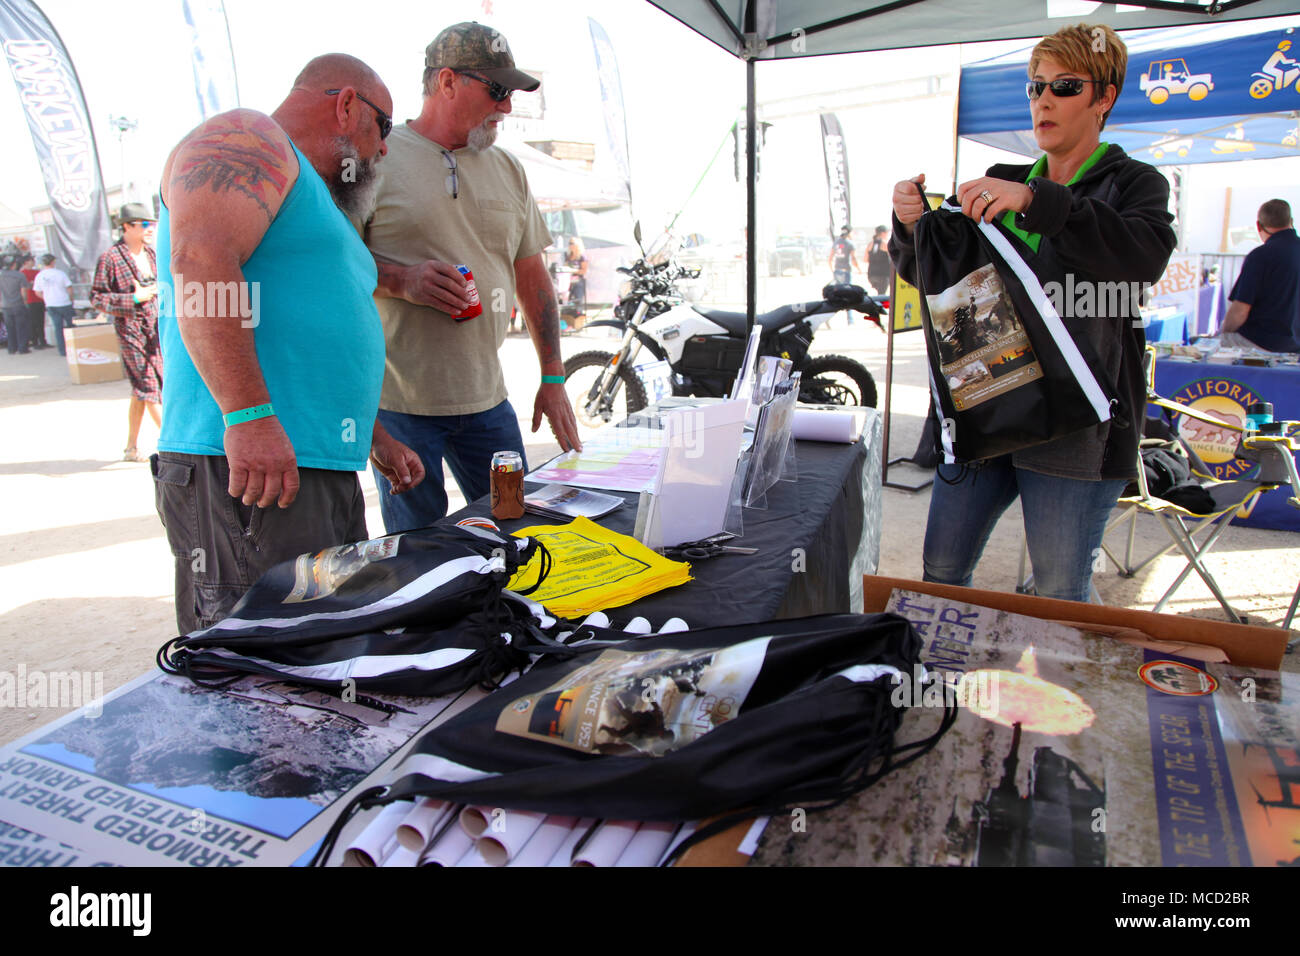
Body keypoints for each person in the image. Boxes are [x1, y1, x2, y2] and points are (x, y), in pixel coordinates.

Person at [889, 22, 1176, 602]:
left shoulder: (1134, 183)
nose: (1044, 99)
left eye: (1065, 86)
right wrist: (911, 228)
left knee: (1059, 589)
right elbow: (936, 279)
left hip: (1079, 420)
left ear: (1104, 98)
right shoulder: (1002, 184)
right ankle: (938, 688)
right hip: (987, 404)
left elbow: (1142, 256)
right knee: (942, 571)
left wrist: (1041, 202)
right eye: (1035, 86)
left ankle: (1074, 690)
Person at [152, 53, 424, 635]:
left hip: (310, 463)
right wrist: (247, 414)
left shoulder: (309, 194)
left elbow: (309, 323)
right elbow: (199, 262)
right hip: (254, 465)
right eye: (384, 129)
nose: (382, 151)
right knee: (260, 670)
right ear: (347, 104)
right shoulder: (248, 136)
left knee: (327, 647)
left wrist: (373, 436)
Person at [364, 21, 581, 533]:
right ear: (446, 82)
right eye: (497, 91)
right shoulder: (375, 160)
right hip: (400, 408)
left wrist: (553, 376)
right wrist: (401, 280)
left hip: (489, 404)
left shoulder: (508, 168)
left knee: (519, 536)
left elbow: (533, 279)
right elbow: (334, 265)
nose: (507, 107)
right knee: (420, 557)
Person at [92, 203, 164, 461]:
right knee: (148, 386)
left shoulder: (153, 254)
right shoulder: (110, 258)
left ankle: (131, 448)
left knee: (143, 391)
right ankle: (172, 444)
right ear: (126, 227)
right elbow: (97, 298)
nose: (149, 229)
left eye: (151, 224)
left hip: (156, 330)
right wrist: (133, 298)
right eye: (143, 224)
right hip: (130, 330)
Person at [1219, 199, 1300, 353]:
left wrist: (1223, 333)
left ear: (1258, 226)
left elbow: (1240, 311)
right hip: (1296, 346)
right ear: (1291, 221)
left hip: (1261, 342)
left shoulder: (1260, 256)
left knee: (1208, 345)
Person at [32, 254, 75, 356]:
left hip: (51, 305)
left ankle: (62, 351)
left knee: (58, 328)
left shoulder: (40, 276)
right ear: (53, 262)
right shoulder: (60, 274)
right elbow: (69, 288)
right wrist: (71, 299)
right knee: (70, 327)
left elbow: (37, 292)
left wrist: (46, 298)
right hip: (64, 302)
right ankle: (73, 347)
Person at [0, 256, 32, 355]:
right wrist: (25, 301)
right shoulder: (19, 275)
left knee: (10, 328)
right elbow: (23, 291)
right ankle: (22, 348)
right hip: (18, 304)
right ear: (14, 265)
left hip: (5, 306)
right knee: (21, 327)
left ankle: (12, 348)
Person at [19, 255, 49, 349]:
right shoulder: (22, 273)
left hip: (39, 298)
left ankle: (43, 340)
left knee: (41, 321)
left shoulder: (38, 272)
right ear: (26, 262)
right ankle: (35, 341)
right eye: (31, 260)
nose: (33, 262)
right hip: (30, 299)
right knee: (33, 321)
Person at [565, 235, 588, 319]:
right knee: (566, 300)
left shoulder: (582, 256)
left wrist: (574, 271)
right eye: (569, 243)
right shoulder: (568, 256)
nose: (570, 245)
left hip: (578, 281)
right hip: (568, 281)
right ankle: (568, 317)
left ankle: (579, 318)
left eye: (572, 243)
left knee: (578, 300)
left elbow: (584, 270)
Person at [866, 225, 891, 295]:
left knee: (879, 294)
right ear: (883, 233)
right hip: (883, 275)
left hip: (871, 274)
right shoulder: (885, 243)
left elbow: (865, 259)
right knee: (882, 295)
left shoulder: (870, 244)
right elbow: (893, 257)